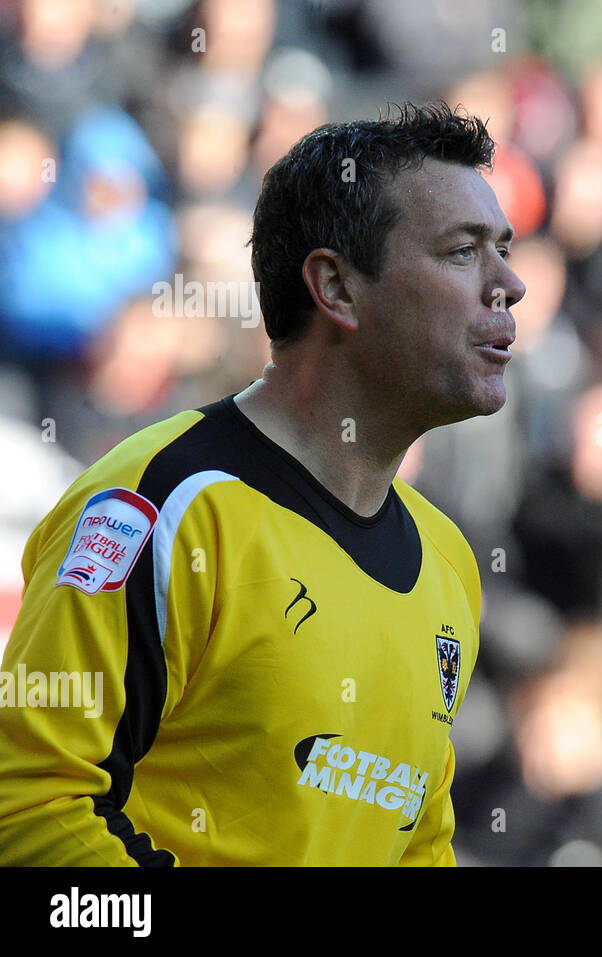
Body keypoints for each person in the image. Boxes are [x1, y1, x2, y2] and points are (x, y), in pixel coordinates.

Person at [0, 101, 526, 865]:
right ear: (337, 289)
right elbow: (26, 809)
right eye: (461, 252)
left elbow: (420, 850)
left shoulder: (448, 563)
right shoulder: (162, 508)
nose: (509, 282)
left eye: (503, 250)